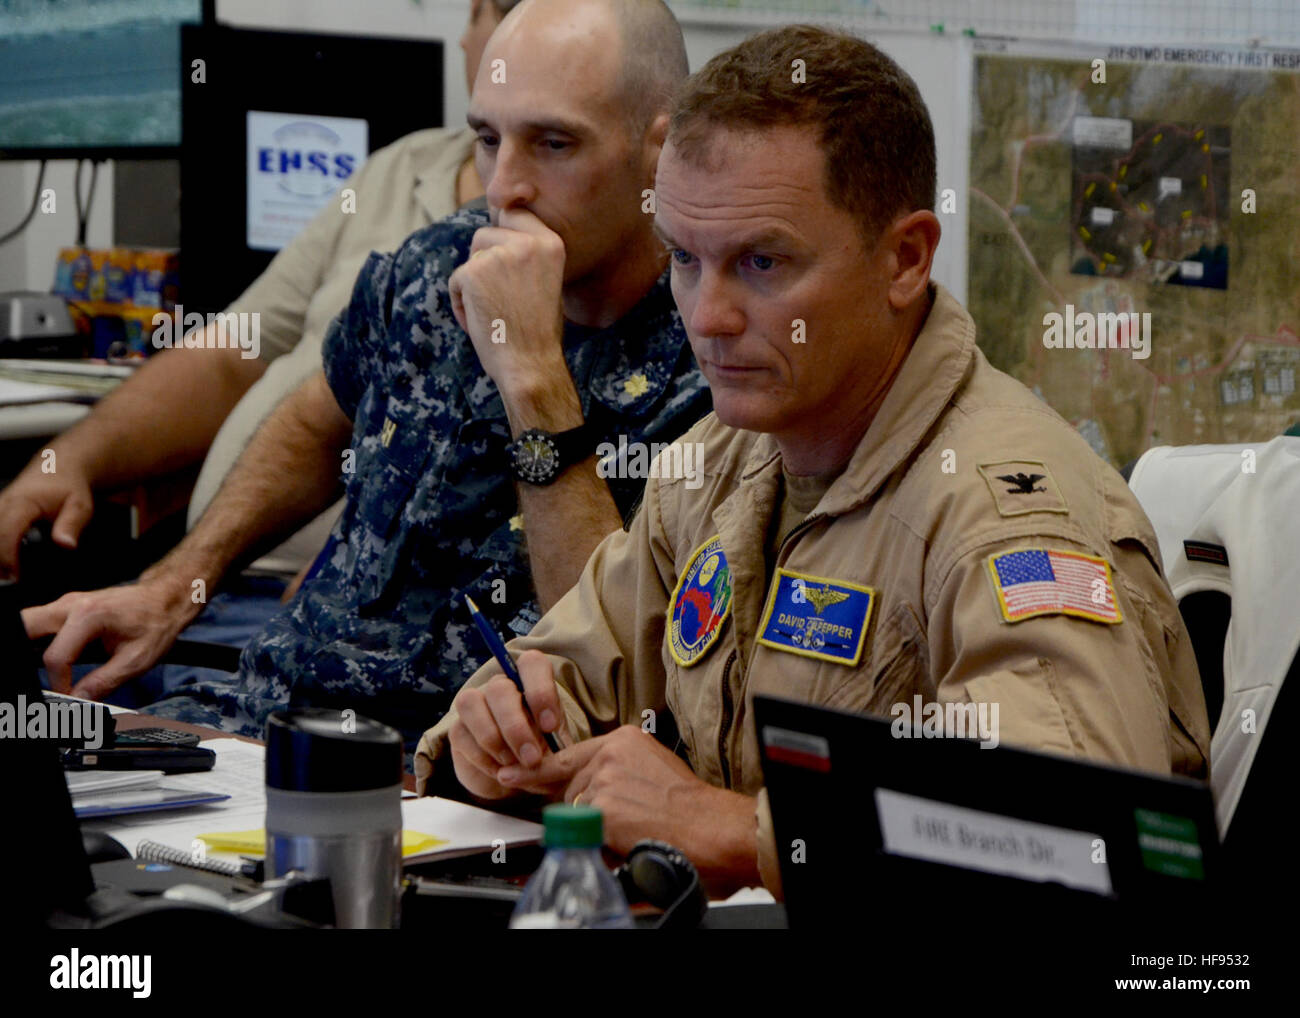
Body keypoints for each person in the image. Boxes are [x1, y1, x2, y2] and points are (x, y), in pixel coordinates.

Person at [414, 24, 1211, 896]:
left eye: (761, 262)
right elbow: (569, 671)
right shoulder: (729, 457)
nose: (708, 317)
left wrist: (735, 832)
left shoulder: (1007, 518)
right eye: (684, 259)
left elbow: (1066, 839)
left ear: (905, 258)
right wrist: (500, 728)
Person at [21, 0, 711, 751]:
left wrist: (533, 375)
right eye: (487, 139)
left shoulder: (714, 350)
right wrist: (172, 588)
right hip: (259, 719)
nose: (504, 187)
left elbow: (614, 674)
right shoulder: (432, 264)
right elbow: (315, 422)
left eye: (553, 143)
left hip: (441, 773)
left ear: (659, 148)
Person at [0, 0, 522, 598]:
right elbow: (228, 355)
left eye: (492, 10)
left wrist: (365, 573)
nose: (464, 39)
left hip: (331, 623)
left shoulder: (560, 243)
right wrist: (70, 461)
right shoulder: (400, 166)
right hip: (199, 584)